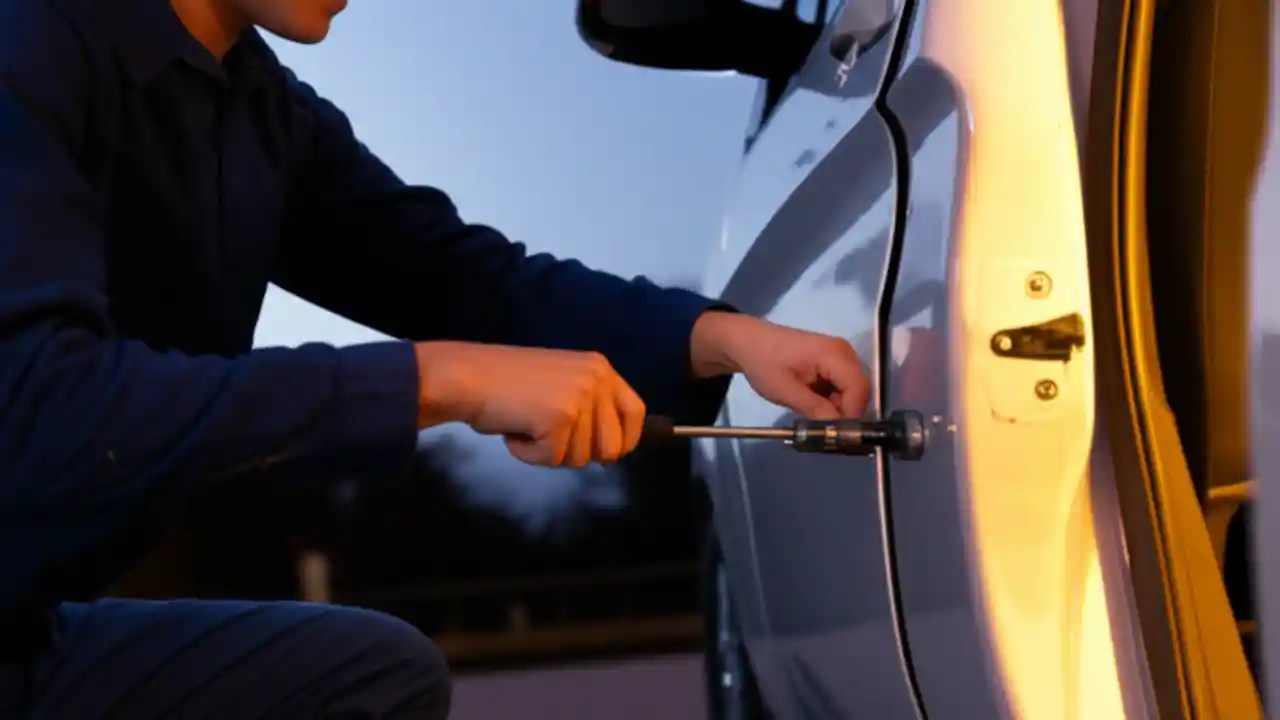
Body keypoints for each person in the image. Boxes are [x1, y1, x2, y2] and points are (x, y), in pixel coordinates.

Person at [0, 0, 870, 717]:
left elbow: (462, 277)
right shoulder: (28, 43)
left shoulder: (263, 113)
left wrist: (719, 337)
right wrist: (444, 379)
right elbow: (41, 411)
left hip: (26, 638)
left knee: (367, 677)